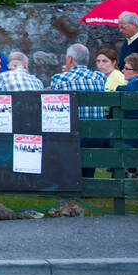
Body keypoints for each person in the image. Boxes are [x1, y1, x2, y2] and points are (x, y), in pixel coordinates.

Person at [50, 43, 108, 179]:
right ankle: (88, 180)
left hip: (72, 137)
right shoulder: (100, 78)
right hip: (96, 136)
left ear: (69, 59)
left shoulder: (59, 79)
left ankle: (71, 183)